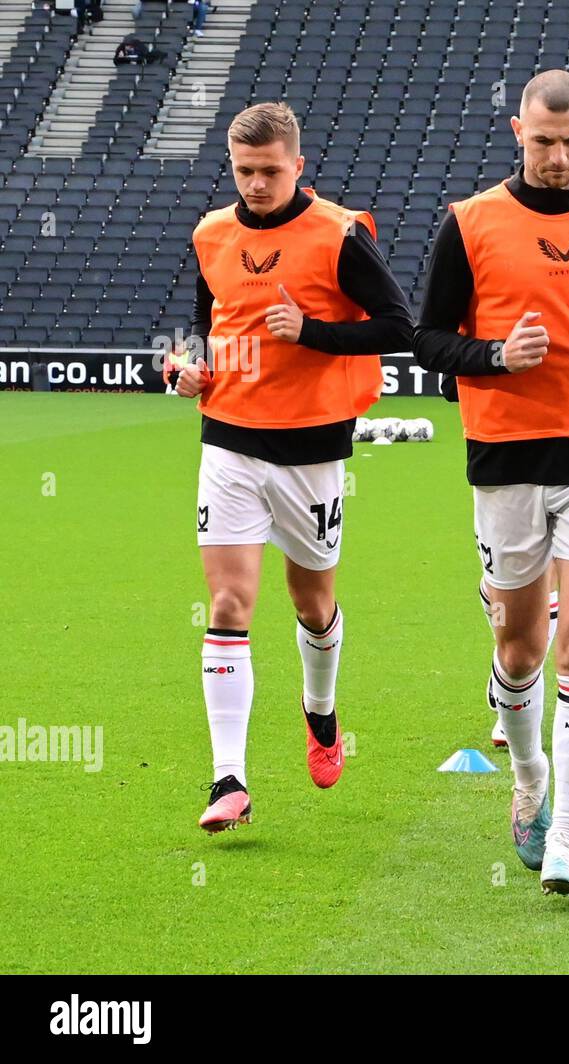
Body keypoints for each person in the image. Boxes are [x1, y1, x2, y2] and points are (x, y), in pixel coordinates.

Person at [412, 70, 569, 897]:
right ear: (518, 132)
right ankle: (529, 777)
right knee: (519, 649)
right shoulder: (471, 221)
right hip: (506, 454)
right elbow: (425, 338)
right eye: (543, 142)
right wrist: (492, 356)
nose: (558, 158)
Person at [168, 102, 414, 833]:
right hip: (229, 444)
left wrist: (311, 331)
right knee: (228, 608)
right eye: (244, 171)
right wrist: (188, 369)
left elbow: (398, 328)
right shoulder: (212, 234)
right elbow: (207, 331)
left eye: (270, 171)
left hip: (312, 453)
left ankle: (320, 709)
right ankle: (228, 780)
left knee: (312, 604)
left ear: (298, 165)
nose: (256, 184)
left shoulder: (339, 234)